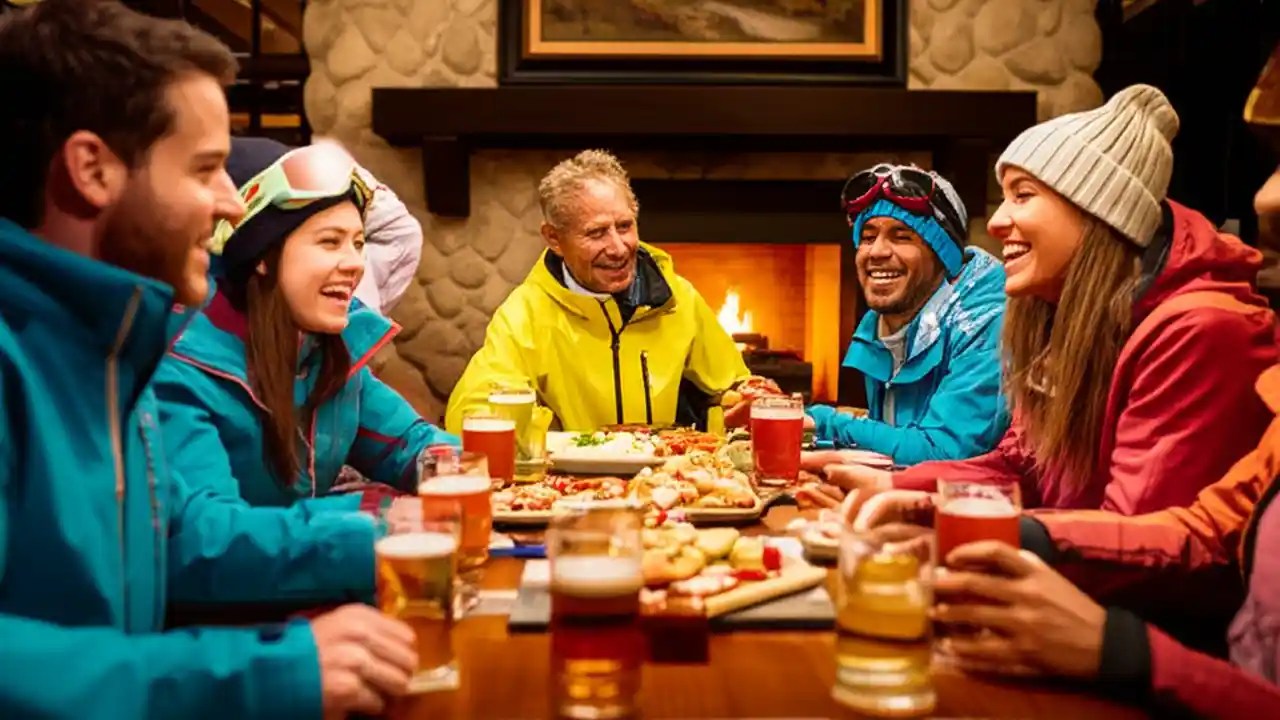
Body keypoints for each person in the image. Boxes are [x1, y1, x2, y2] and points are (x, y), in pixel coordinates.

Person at [0, 2, 416, 717]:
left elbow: (183, 538)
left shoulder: (116, 345)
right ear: (92, 170)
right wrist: (266, 674)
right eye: (206, 169)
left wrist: (378, 541)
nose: (230, 204)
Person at [817, 84, 1279, 516]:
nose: (996, 223)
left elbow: (1144, 540)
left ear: (1097, 213)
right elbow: (1019, 468)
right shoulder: (1054, 320)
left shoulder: (1202, 333)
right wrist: (895, 489)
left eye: (1023, 195)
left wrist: (935, 511)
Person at [153, 138, 457, 512]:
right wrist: (372, 517)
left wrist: (469, 471)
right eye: (330, 242)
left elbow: (410, 445)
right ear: (262, 257)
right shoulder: (184, 370)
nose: (355, 264)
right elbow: (212, 530)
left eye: (358, 243)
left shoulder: (328, 352)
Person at [445, 149, 763, 433]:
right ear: (554, 239)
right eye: (596, 233)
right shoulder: (525, 313)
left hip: (670, 471)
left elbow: (733, 387)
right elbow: (474, 412)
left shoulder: (679, 297)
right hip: (568, 478)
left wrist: (749, 399)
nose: (618, 248)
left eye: (624, 226)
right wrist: (543, 430)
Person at [805, 164, 1008, 466]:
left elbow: (942, 453)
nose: (876, 252)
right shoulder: (885, 325)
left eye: (901, 237)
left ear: (942, 254)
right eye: (868, 237)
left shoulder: (985, 325)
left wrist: (822, 421)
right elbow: (891, 444)